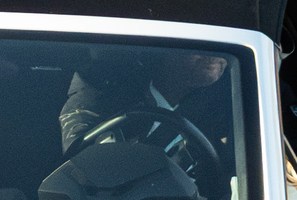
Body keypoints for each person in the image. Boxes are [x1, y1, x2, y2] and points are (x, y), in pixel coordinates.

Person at [58, 47, 234, 171]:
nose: (215, 52)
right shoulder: (97, 100)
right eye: (197, 43)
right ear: (166, 51)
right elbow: (85, 169)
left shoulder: (226, 111)